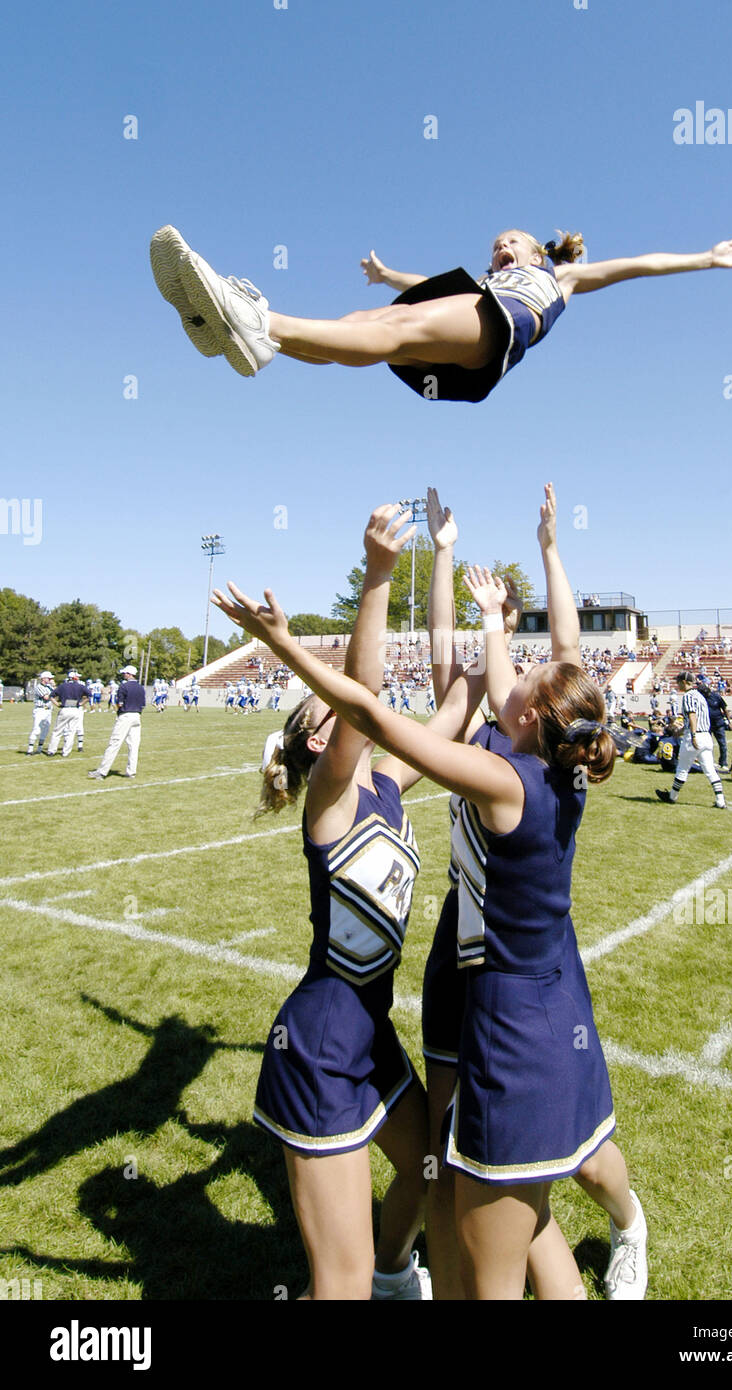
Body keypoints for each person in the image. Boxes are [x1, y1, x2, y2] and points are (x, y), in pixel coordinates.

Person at [212, 507, 643, 1301]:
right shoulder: (360, 791)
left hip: (407, 1029)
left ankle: (394, 1271)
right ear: (318, 744)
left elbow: (418, 702)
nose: (510, 687)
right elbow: (385, 702)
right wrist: (462, 588)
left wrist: (469, 608)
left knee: (448, 1183)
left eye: (523, 691)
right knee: (421, 1219)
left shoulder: (464, 775)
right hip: (337, 1037)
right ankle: (387, 1273)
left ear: (531, 723)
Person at [420, 485, 646, 1302]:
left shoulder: (519, 759)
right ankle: (457, 1258)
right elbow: (457, 661)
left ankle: (626, 1221)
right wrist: (445, 554)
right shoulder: (493, 728)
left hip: (527, 969)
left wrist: (543, 559)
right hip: (468, 953)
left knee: (569, 1151)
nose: (509, 651)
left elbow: (569, 657)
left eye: (514, 632)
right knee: (464, 1148)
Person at [243, 506, 434, 1301]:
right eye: (325, 707)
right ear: (320, 741)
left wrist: (446, 563)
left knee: (433, 1166)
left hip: (371, 1036)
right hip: (319, 1045)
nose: (339, 704)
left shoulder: (385, 788)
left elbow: (453, 711)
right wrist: (379, 576)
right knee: (338, 1284)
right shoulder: (330, 797)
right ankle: (370, 1278)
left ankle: (396, 1269)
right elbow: (361, 696)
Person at [150, 224, 732, 402]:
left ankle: (258, 319)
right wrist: (391, 276)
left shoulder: (560, 275)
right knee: (370, 322)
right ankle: (257, 341)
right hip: (473, 344)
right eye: (495, 244)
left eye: (511, 242)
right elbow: (428, 293)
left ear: (535, 250)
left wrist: (705, 259)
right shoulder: (484, 280)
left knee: (397, 326)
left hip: (504, 328)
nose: (501, 248)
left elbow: (636, 264)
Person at [656, 673, 726, 809]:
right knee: (710, 770)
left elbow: (692, 716)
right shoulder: (700, 696)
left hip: (695, 736)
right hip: (706, 735)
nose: (677, 685)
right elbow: (695, 719)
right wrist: (680, 731)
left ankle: (672, 796)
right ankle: (720, 800)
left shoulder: (688, 696)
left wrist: (693, 735)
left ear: (683, 681)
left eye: (678, 682)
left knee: (682, 768)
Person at [88, 666, 147, 779]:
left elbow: (120, 704)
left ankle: (102, 771)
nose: (123, 675)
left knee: (114, 743)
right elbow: (143, 705)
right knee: (133, 745)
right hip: (137, 716)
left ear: (129, 674)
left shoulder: (124, 686)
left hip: (125, 715)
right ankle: (131, 772)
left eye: (125, 673)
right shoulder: (140, 687)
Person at [45, 671, 90, 757]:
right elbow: (89, 696)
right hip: (75, 709)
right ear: (75, 678)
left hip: (65, 708)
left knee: (57, 731)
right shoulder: (80, 686)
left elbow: (51, 696)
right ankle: (66, 752)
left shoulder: (62, 686)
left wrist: (57, 704)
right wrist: (81, 703)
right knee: (71, 731)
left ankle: (51, 750)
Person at [27, 671, 55, 755]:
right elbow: (46, 697)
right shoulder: (39, 687)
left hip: (48, 710)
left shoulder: (49, 687)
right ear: (44, 678)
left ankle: (39, 748)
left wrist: (54, 688)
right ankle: (30, 749)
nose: (50, 679)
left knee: (45, 730)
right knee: (36, 729)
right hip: (40, 709)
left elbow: (56, 694)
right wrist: (53, 694)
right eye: (49, 678)